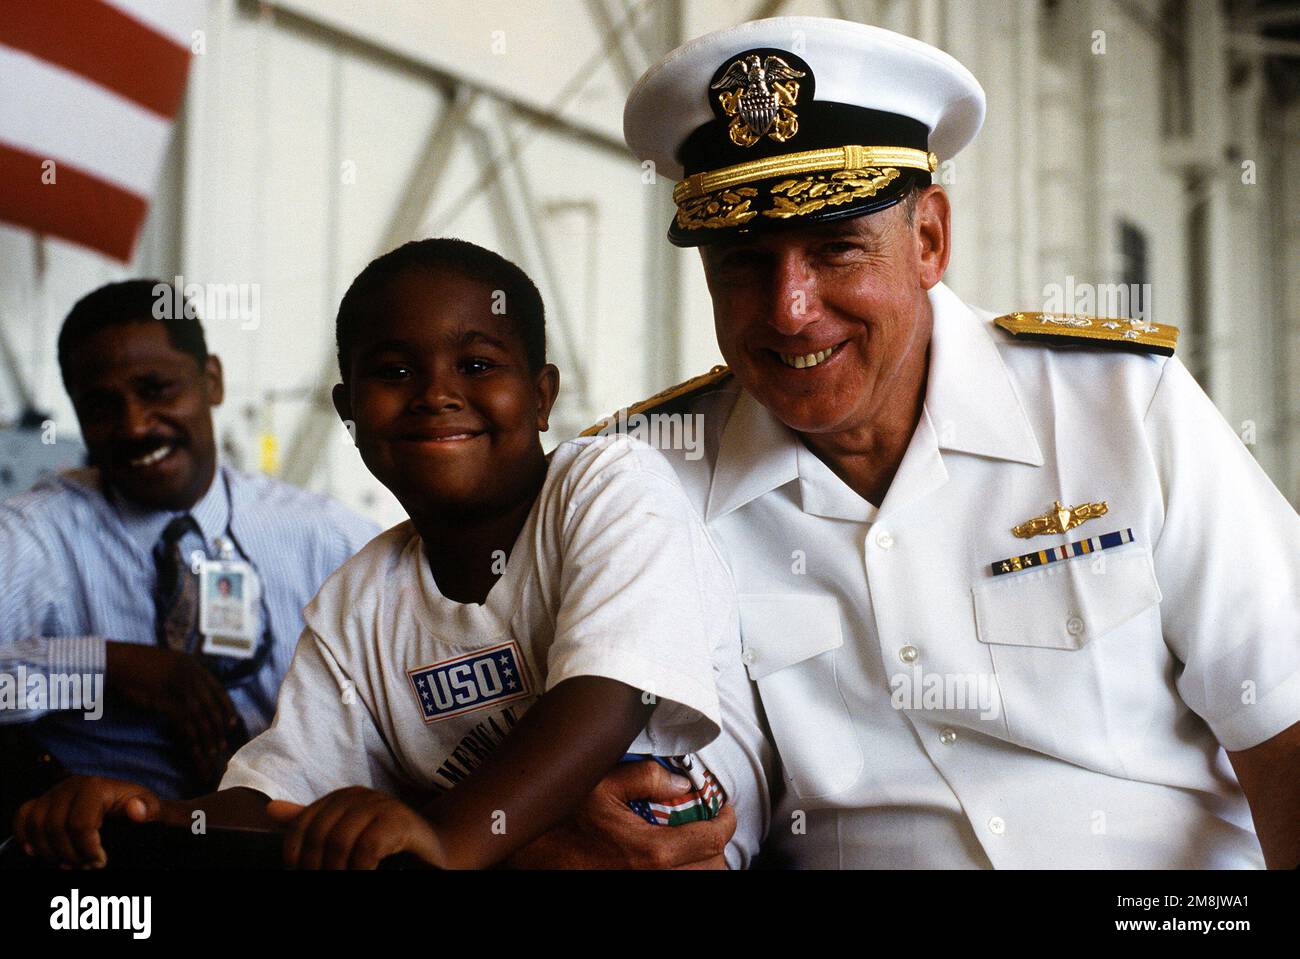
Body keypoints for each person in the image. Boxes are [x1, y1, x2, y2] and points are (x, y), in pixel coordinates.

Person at [571, 15, 1294, 868]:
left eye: (837, 249)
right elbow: (701, 809)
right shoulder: (656, 478)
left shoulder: (1119, 408)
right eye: (743, 261)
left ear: (929, 240)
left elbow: (1284, 730)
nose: (789, 308)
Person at [11, 240, 770, 870]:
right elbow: (277, 793)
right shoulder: (358, 593)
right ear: (348, 412)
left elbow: (606, 696)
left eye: (476, 365)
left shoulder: (608, 482)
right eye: (393, 372)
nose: (435, 394)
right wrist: (153, 813)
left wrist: (444, 835)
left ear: (541, 396)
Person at [0, 280, 378, 823]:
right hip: (115, 844)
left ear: (213, 381)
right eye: (101, 406)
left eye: (156, 390)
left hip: (286, 835)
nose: (134, 425)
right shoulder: (35, 535)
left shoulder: (323, 537)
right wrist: (103, 664)